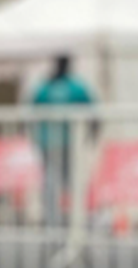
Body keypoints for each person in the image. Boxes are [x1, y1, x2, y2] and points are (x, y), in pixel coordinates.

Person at [31, 55, 96, 225]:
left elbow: (32, 109)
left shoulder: (47, 86)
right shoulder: (72, 87)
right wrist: (92, 134)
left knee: (55, 181)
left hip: (57, 143)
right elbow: (93, 112)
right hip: (60, 143)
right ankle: (63, 219)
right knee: (62, 181)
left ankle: (60, 219)